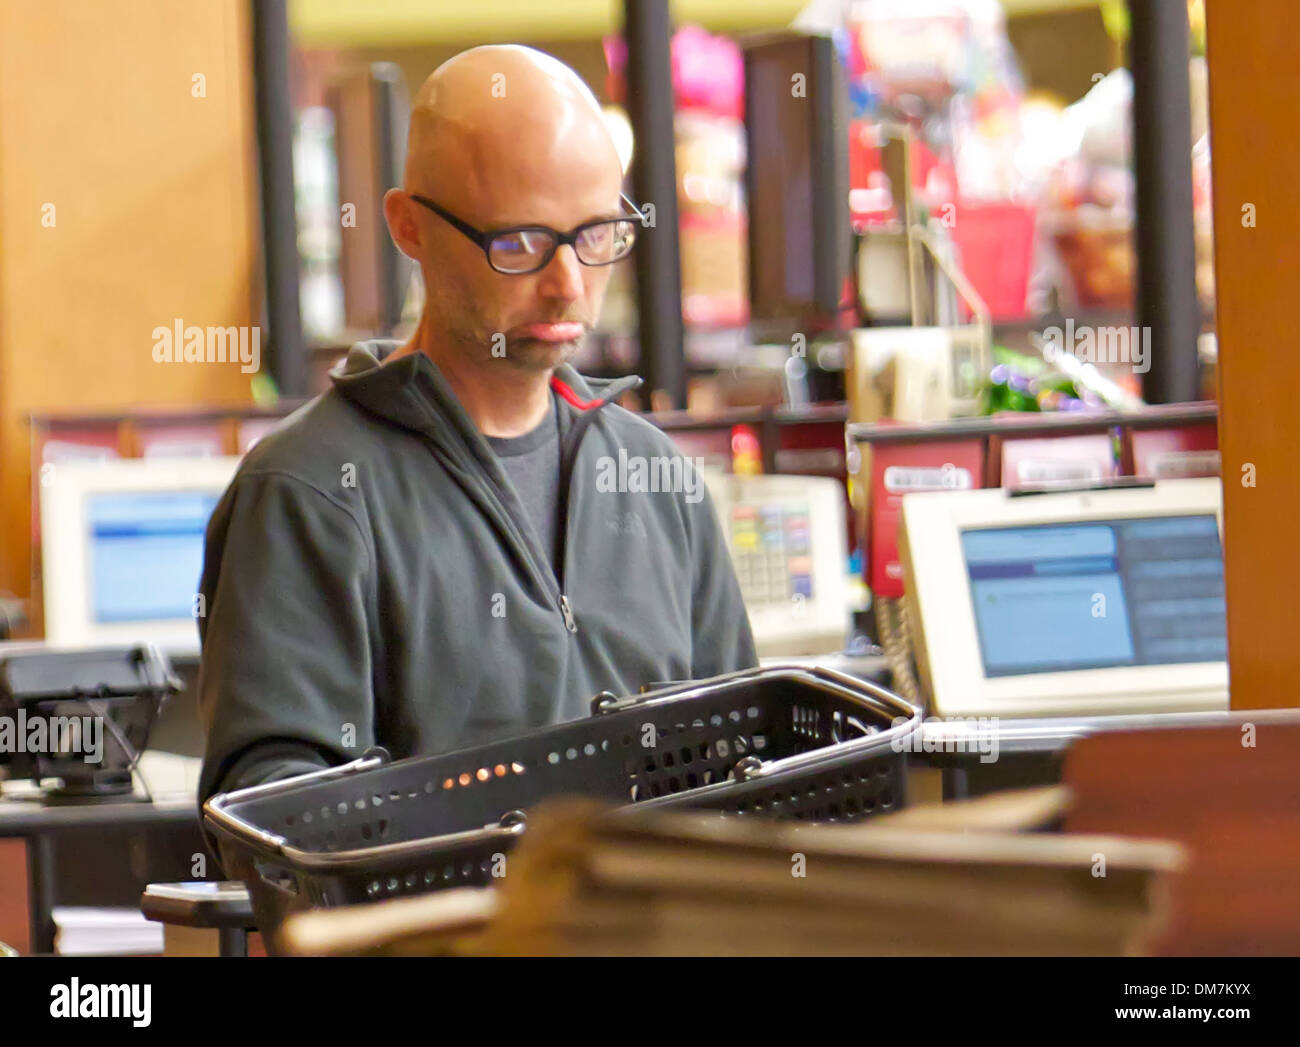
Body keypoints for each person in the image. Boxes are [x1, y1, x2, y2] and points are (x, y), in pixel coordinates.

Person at [196, 45, 757, 808]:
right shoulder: (308, 492)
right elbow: (273, 815)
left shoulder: (654, 475)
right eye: (520, 242)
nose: (568, 286)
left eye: (596, 235)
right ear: (410, 227)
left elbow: (744, 757)